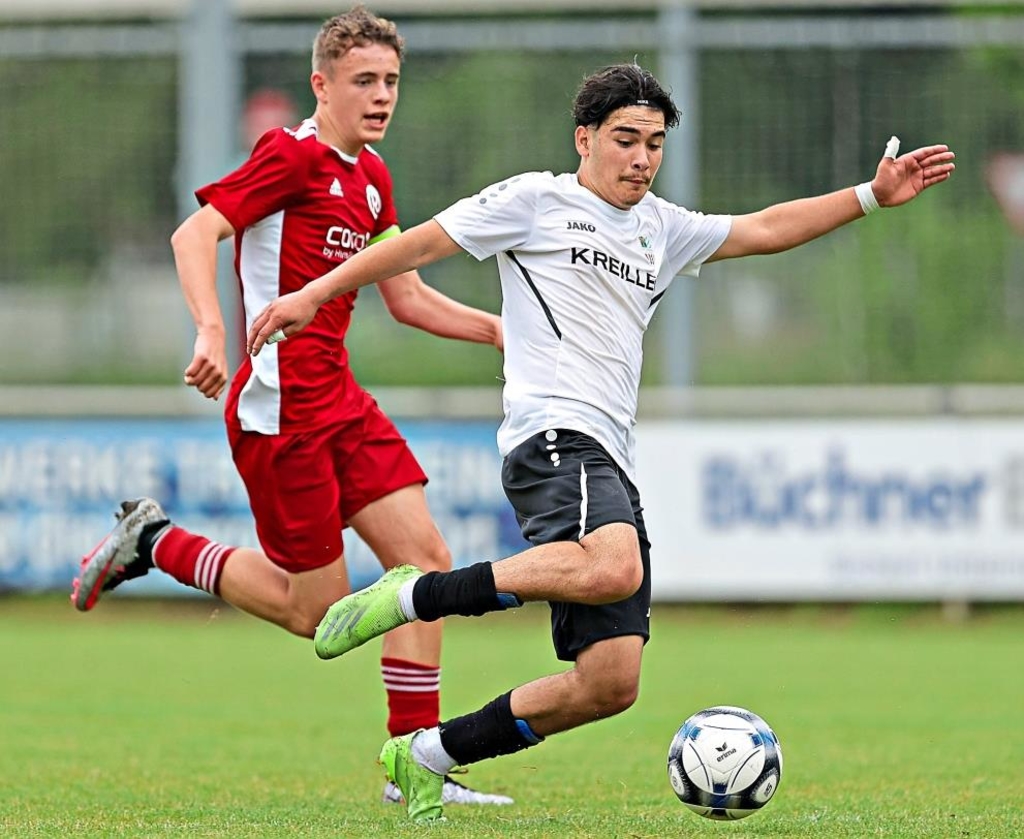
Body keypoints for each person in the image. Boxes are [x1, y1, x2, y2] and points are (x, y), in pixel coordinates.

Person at [245, 63, 956, 822]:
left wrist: (870, 197)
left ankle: (426, 754)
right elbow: (416, 247)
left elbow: (763, 228)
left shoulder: (661, 227)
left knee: (609, 682)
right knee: (613, 565)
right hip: (552, 432)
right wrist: (316, 292)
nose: (641, 158)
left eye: (653, 143)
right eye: (625, 139)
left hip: (610, 451)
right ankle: (414, 593)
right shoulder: (534, 201)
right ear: (584, 138)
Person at [71, 5, 513, 808]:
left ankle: (415, 764)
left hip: (339, 400)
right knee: (316, 613)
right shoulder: (291, 157)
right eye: (364, 82)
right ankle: (157, 542)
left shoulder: (372, 176)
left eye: (391, 82)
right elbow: (193, 235)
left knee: (428, 565)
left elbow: (406, 298)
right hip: (280, 410)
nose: (381, 96)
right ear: (322, 85)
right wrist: (212, 330)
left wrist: (497, 331)